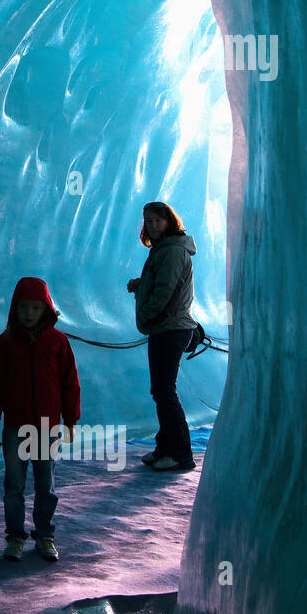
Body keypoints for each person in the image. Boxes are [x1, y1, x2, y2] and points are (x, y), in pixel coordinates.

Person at [0, 277, 81, 562]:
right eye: (24, 307)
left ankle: (44, 535)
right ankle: (15, 537)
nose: (29, 313)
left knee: (45, 486)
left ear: (46, 309)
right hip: (15, 427)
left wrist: (71, 419)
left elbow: (70, 382)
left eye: (35, 308)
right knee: (13, 486)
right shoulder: (5, 342)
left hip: (47, 428)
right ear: (16, 309)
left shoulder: (58, 342)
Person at [126, 201, 198, 472]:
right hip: (168, 327)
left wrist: (148, 315)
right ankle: (166, 447)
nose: (153, 225)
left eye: (158, 220)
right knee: (161, 391)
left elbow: (166, 292)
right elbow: (165, 284)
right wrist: (141, 285)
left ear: (169, 222)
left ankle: (180, 454)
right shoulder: (166, 249)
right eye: (149, 220)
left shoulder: (171, 252)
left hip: (169, 328)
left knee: (165, 391)